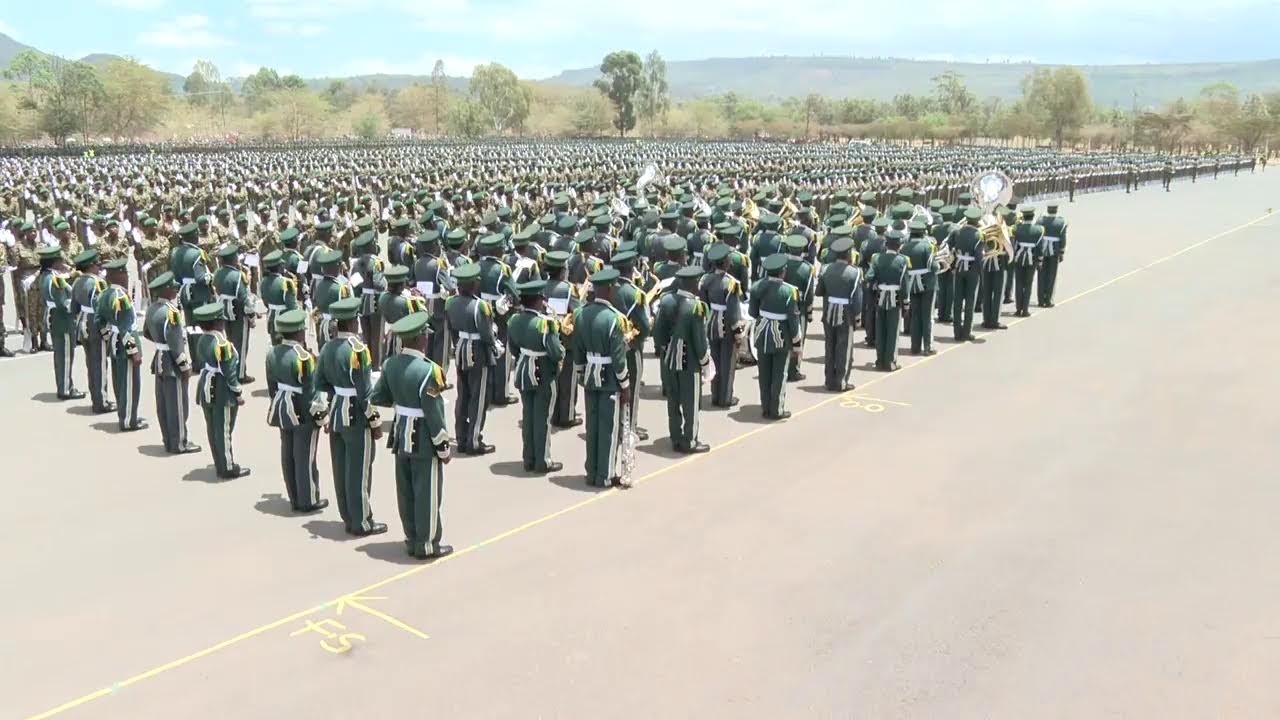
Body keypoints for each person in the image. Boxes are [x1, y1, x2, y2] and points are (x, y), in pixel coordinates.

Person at [369, 312, 453, 560]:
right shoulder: (430, 371)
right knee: (426, 492)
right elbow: (434, 414)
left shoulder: (390, 365)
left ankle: (411, 537)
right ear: (420, 339)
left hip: (401, 432)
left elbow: (378, 397)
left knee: (405, 490)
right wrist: (443, 447)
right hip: (423, 437)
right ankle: (426, 544)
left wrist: (400, 398)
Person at [317, 296, 387, 536]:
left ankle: (348, 516)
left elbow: (320, 382)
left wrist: (335, 397)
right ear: (354, 322)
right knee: (358, 470)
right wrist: (375, 421)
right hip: (355, 416)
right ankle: (362, 521)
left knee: (341, 467)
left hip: (337, 410)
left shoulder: (327, 347)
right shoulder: (358, 351)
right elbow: (364, 394)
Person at [571, 268, 632, 487]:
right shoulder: (614, 319)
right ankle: (605, 474)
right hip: (609, 379)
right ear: (608, 289)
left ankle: (592, 472)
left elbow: (577, 350)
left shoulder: (580, 314)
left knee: (593, 426)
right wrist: (625, 385)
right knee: (608, 428)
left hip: (589, 375)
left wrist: (580, 372)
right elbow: (618, 358)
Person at [265, 308, 328, 514]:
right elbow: (311, 392)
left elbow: (272, 386)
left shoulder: (272, 352)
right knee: (305, 455)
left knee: (288, 451)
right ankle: (307, 499)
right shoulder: (303, 357)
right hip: (302, 408)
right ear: (300, 331)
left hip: (282, 405)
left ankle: (294, 496)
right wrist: (321, 415)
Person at [509, 280, 565, 474]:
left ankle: (529, 458)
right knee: (542, 418)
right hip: (543, 371)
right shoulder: (545, 323)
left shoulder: (514, 320)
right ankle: (543, 460)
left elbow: (513, 348)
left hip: (524, 369)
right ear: (538, 300)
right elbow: (556, 353)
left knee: (528, 414)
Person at [653, 266, 711, 453]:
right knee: (691, 403)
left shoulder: (666, 300)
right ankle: (690, 440)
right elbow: (699, 341)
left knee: (673, 399)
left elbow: (658, 333)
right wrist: (705, 363)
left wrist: (666, 349)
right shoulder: (696, 306)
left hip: (669, 357)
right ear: (693, 283)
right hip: (689, 360)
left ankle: (675, 436)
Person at [193, 302, 250, 479]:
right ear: (219, 322)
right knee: (223, 429)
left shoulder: (202, 339)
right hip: (221, 389)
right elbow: (229, 372)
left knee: (212, 427)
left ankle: (219, 461)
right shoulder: (223, 345)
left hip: (206, 385)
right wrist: (238, 393)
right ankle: (227, 466)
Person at [143, 272, 199, 454]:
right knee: (177, 405)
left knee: (164, 404)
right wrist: (185, 366)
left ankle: (168, 439)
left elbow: (146, 333)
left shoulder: (152, 309)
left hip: (159, 358)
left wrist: (160, 343)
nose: (175, 289)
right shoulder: (171, 312)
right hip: (171, 362)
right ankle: (180, 442)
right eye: (173, 287)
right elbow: (176, 344)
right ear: (165, 290)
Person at [445, 263, 498, 455]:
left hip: (460, 348)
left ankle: (461, 437)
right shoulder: (479, 306)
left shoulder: (450, 302)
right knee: (479, 397)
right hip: (478, 352)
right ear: (474, 284)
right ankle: (474, 441)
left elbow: (451, 328)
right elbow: (487, 335)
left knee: (463, 395)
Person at [95, 258, 147, 431]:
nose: (126, 276)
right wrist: (134, 351)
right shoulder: (120, 297)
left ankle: (123, 415)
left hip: (114, 342)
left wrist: (107, 336)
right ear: (118, 275)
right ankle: (129, 420)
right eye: (124, 273)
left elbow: (99, 321)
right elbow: (125, 327)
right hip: (125, 344)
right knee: (130, 384)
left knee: (119, 382)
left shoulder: (105, 294)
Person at [748, 253, 801, 419]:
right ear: (782, 272)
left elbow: (752, 312)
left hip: (762, 331)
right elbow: (793, 320)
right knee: (779, 373)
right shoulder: (789, 291)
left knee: (764, 373)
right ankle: (776, 409)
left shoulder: (757, 286)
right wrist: (797, 343)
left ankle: (765, 407)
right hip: (781, 335)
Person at [610, 250, 652, 439]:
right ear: (631, 268)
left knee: (614, 388)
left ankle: (616, 424)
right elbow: (644, 326)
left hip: (610, 347)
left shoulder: (609, 289)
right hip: (630, 347)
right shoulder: (635, 294)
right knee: (631, 388)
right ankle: (629, 428)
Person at [815, 236, 863, 391]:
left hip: (829, 311)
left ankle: (829, 380)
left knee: (829, 346)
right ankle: (841, 381)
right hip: (845, 313)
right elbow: (857, 298)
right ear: (848, 254)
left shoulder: (825, 269)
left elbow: (819, 291)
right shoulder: (854, 272)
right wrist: (857, 317)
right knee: (844, 347)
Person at [698, 242, 744, 407]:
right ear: (725, 262)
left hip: (711, 322)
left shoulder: (705, 279)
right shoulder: (730, 283)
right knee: (728, 362)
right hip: (725, 324)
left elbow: (704, 304)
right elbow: (733, 312)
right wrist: (738, 333)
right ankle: (726, 397)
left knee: (715, 360)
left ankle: (715, 395)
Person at [476, 234, 518, 407]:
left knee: (486, 347)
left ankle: (487, 390)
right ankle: (501, 393)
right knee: (502, 351)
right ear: (498, 250)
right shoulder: (503, 269)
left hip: (480, 310)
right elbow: (513, 293)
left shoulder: (477, 266)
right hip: (499, 313)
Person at [68, 249, 112, 413]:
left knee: (91, 363)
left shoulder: (77, 282)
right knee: (99, 364)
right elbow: (102, 308)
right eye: (97, 264)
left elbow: (73, 308)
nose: (99, 266)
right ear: (92, 266)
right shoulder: (98, 283)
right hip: (95, 324)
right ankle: (101, 401)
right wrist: (107, 329)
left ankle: (96, 398)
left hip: (82, 324)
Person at [38, 245, 84, 399]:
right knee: (65, 355)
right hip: (62, 319)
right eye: (60, 259)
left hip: (53, 316)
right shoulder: (55, 279)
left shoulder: (45, 276)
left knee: (60, 354)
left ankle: (64, 385)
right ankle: (65, 389)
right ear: (54, 262)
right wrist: (78, 306)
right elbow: (64, 304)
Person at [543, 250, 582, 428]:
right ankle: (566, 415)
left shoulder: (542, 286)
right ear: (562, 270)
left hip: (546, 335)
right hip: (566, 337)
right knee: (567, 378)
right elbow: (576, 312)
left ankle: (552, 412)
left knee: (551, 375)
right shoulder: (568, 289)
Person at [212, 243, 256, 384]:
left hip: (224, 311)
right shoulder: (237, 276)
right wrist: (251, 315)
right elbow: (243, 299)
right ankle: (240, 374)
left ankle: (230, 369)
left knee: (230, 341)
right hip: (238, 312)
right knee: (241, 345)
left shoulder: (218, 273)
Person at [866, 232, 908, 371]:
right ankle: (890, 361)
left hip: (881, 296)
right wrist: (905, 302)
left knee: (880, 329)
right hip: (895, 296)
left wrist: (875, 285)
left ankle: (879, 360)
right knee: (893, 330)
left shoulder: (877, 258)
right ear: (899, 246)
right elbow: (905, 284)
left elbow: (869, 276)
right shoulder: (902, 260)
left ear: (886, 244)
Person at [780, 235, 816, 381]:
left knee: (784, 336)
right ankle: (794, 370)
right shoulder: (807, 269)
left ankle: (783, 366)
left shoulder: (782, 263)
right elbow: (809, 294)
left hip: (782, 303)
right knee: (798, 338)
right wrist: (809, 312)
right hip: (798, 306)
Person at [350, 231, 387, 369]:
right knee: (377, 335)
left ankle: (368, 361)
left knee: (366, 334)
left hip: (363, 300)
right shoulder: (376, 262)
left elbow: (355, 284)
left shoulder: (357, 263)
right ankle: (376, 365)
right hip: (375, 301)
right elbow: (379, 284)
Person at [901, 221, 939, 356]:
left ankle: (915, 346)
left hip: (912, 284)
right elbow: (934, 267)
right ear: (923, 232)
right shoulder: (927, 247)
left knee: (915, 315)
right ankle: (928, 346)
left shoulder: (904, 248)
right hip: (927, 283)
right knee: (928, 316)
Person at [378, 265, 428, 360]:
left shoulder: (382, 297)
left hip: (391, 334)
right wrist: (419, 298)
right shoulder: (408, 302)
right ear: (402, 284)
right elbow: (423, 315)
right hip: (406, 338)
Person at [951, 208, 985, 342]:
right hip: (972, 270)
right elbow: (979, 256)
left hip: (959, 267)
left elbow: (950, 248)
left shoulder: (957, 232)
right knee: (970, 301)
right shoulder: (979, 235)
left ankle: (956, 332)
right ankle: (966, 332)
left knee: (958, 301)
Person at [1011, 207, 1043, 318]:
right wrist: (1039, 260)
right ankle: (1025, 309)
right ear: (1033, 216)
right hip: (1031, 258)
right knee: (1028, 284)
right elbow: (1040, 247)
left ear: (1023, 216)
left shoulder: (1017, 228)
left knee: (1019, 283)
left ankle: (1018, 308)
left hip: (1019, 257)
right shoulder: (1039, 229)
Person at [1036, 203, 1067, 308]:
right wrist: (1062, 252)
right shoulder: (1061, 222)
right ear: (1056, 210)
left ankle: (1040, 299)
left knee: (1041, 275)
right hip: (1054, 250)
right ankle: (1048, 299)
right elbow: (1063, 239)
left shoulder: (1040, 221)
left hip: (1042, 250)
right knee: (1051, 275)